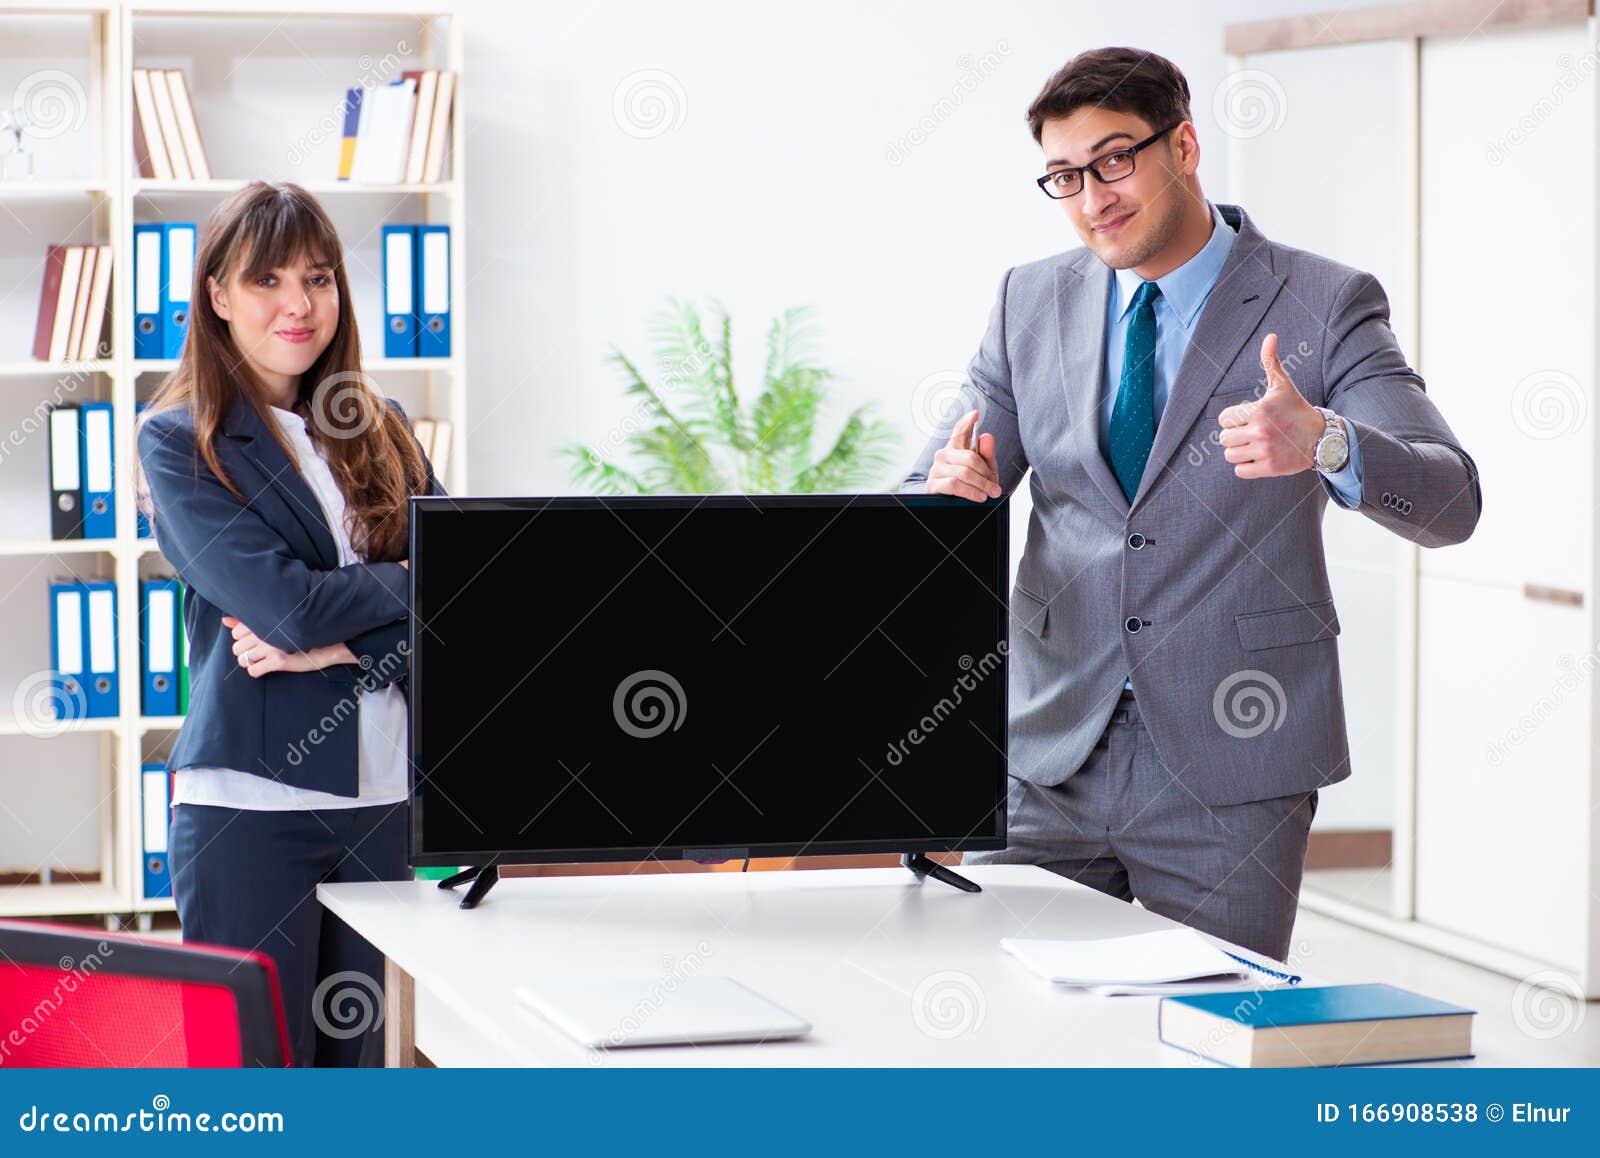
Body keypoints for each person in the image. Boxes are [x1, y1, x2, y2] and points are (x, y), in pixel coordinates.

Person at [901, 48, 1481, 960]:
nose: (1093, 195)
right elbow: (932, 491)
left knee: (1206, 1047)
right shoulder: (1029, 301)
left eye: (1115, 158)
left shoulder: (1325, 301)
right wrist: (947, 494)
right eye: (1064, 175)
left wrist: (1326, 442)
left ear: (1185, 144)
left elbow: (1450, 501)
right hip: (1045, 755)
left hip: (1234, 768)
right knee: (1011, 1044)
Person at [134, 180, 443, 1065]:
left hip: (384, 803)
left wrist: (339, 640)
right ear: (219, 297)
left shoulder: (379, 426)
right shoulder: (179, 440)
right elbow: (281, 608)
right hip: (250, 809)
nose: (298, 305)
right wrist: (395, 592)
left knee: (363, 1085)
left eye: (318, 277)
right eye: (267, 280)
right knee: (259, 1087)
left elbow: (471, 598)